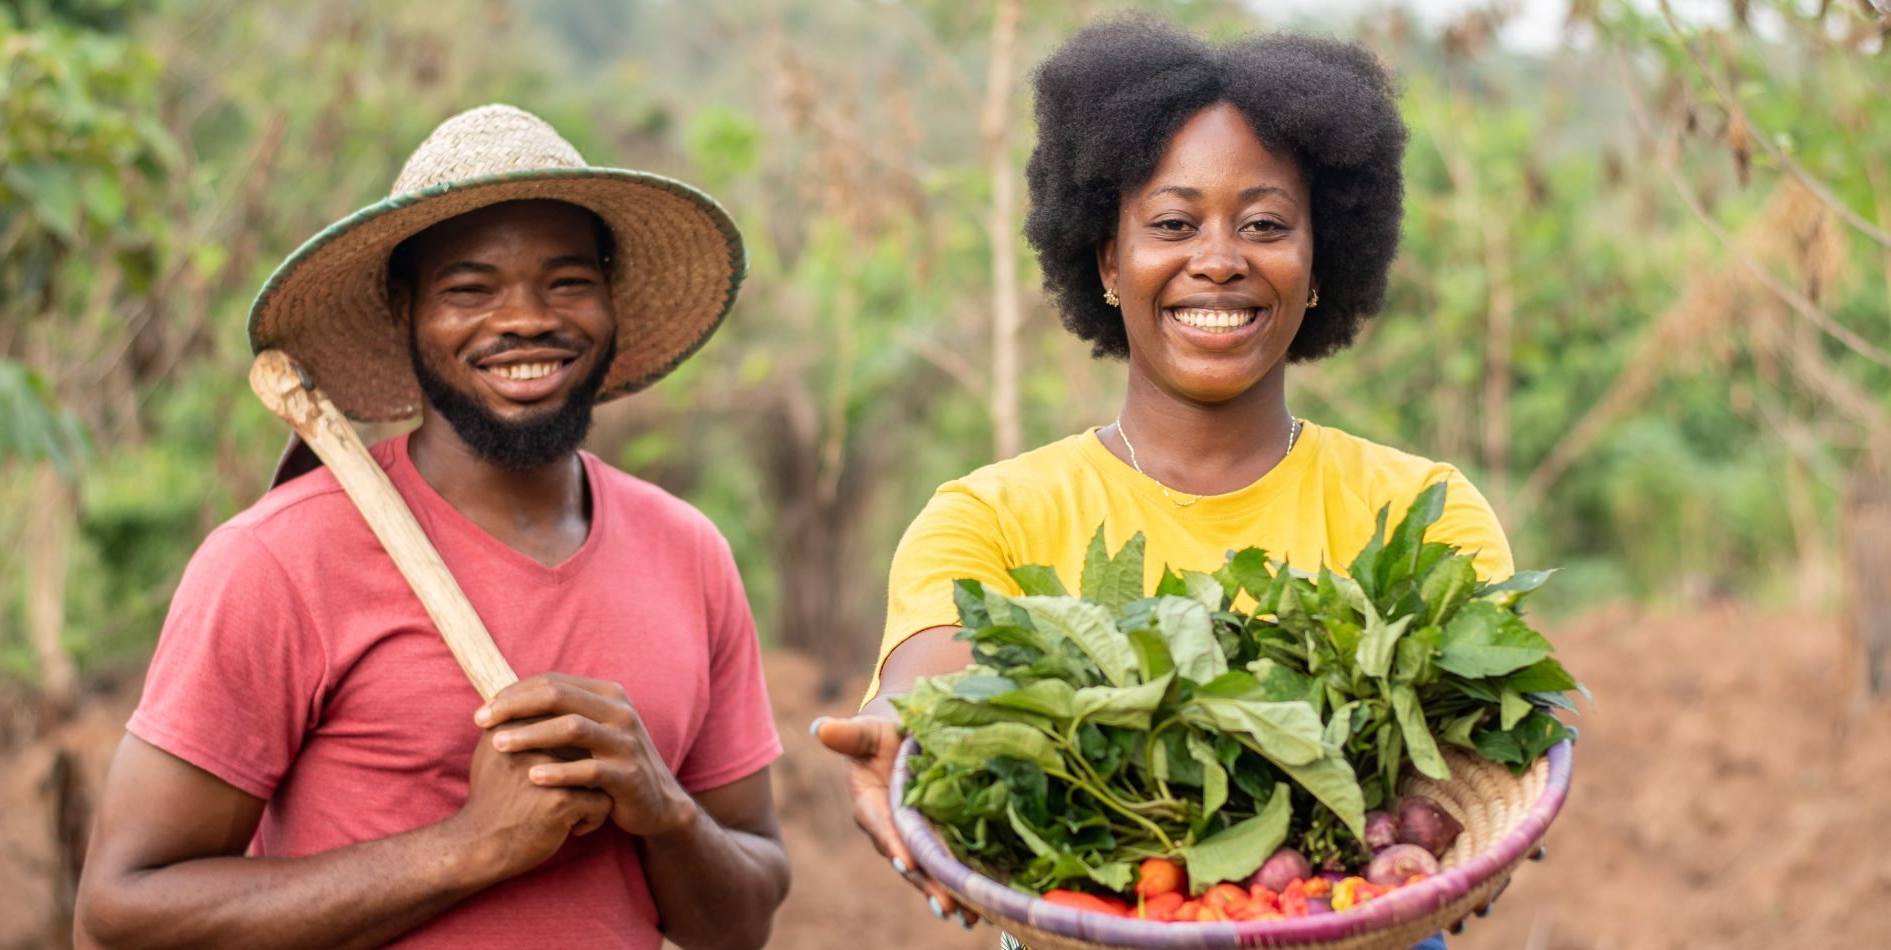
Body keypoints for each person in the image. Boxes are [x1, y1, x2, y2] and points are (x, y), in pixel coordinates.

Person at [814, 16, 1512, 949]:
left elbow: (1479, 758)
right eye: (1173, 224)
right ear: (1109, 259)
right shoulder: (995, 516)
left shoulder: (1419, 514)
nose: (1219, 259)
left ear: (1318, 265)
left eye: (1264, 224)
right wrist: (898, 733)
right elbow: (929, 681)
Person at [74, 105, 788, 950]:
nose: (525, 319)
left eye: (566, 281)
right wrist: (470, 847)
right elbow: (120, 920)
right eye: (469, 289)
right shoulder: (279, 560)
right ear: (403, 311)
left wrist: (664, 810)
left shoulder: (689, 552)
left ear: (610, 300)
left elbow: (741, 922)